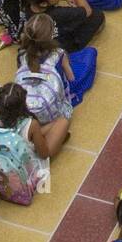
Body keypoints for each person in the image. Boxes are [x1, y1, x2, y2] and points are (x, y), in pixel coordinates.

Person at [0, 83, 54, 203]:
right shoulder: (30, 123)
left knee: (41, 132)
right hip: (26, 167)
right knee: (62, 123)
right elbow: (43, 154)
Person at [14, 14, 75, 160]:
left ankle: (31, 133)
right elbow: (71, 78)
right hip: (52, 112)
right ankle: (46, 132)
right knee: (89, 57)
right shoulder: (59, 53)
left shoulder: (22, 54)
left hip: (27, 112)